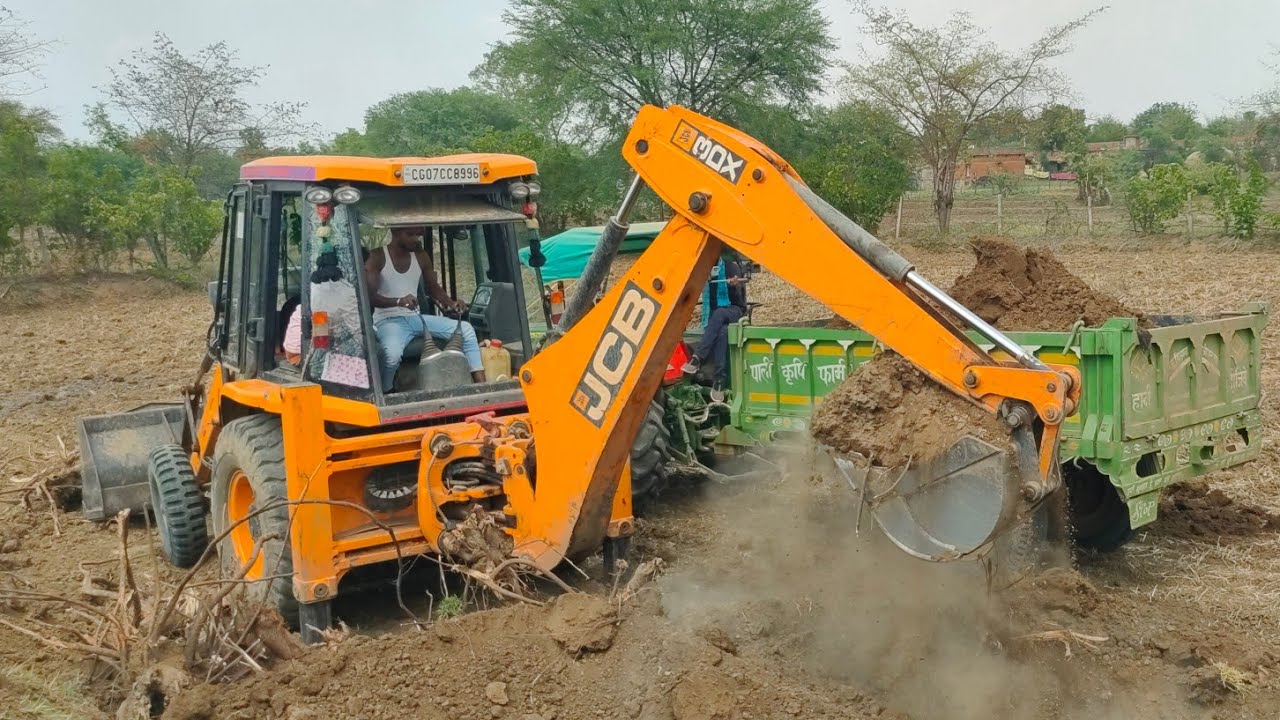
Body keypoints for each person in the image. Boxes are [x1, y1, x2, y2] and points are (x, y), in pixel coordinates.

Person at [365, 225, 486, 389]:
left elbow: (433, 288)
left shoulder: (421, 256)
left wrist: (451, 303)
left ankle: (482, 386)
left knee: (466, 329)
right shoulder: (378, 256)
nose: (416, 239)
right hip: (387, 320)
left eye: (418, 235)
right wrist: (398, 301)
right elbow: (369, 298)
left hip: (416, 318)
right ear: (395, 232)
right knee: (391, 356)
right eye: (410, 234)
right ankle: (386, 392)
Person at [682, 248, 748, 386]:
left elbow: (738, 299)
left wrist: (733, 286)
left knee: (719, 313)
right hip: (716, 318)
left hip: (734, 309)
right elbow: (707, 301)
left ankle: (698, 357)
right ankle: (719, 379)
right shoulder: (705, 272)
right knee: (723, 332)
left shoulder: (731, 267)